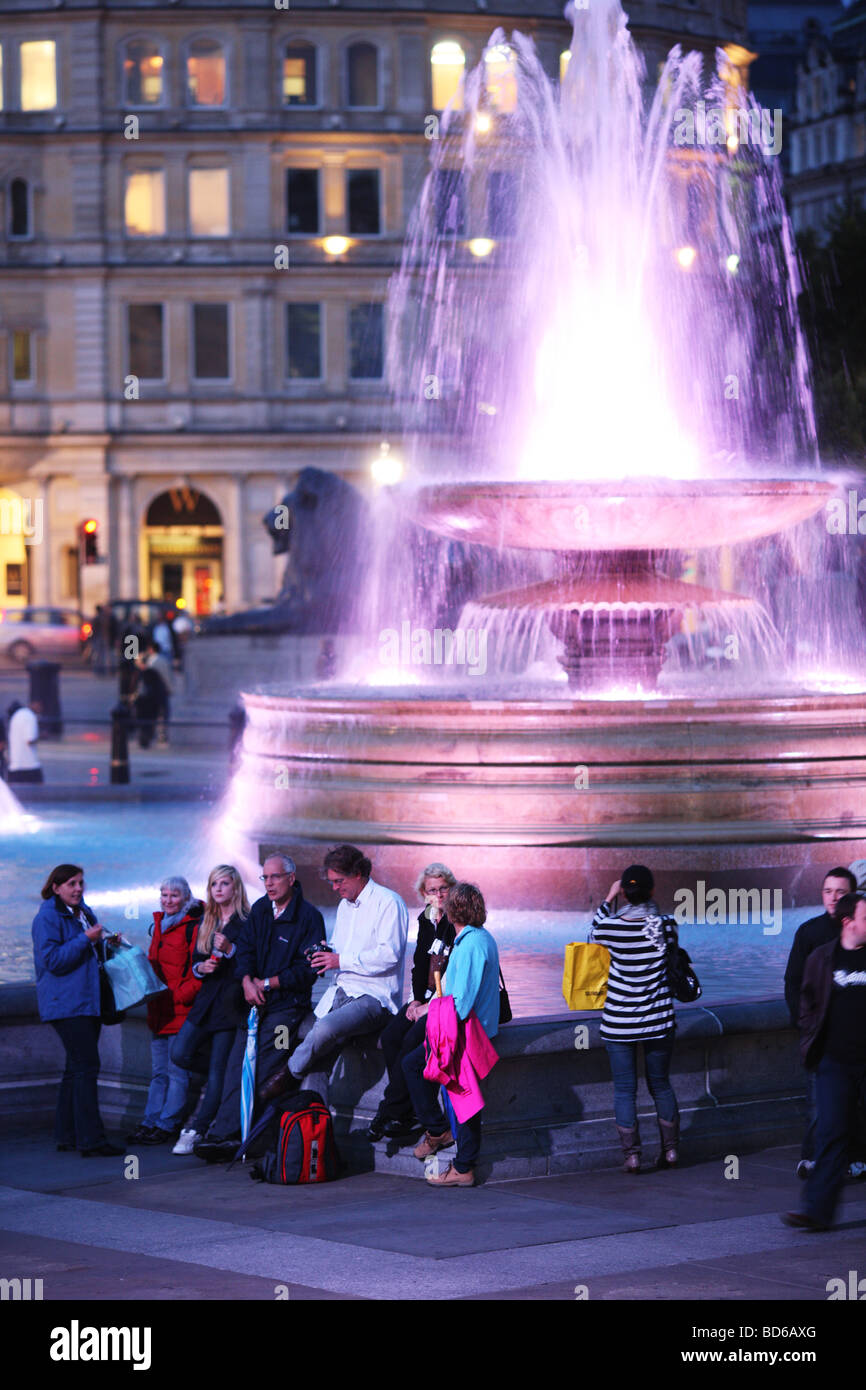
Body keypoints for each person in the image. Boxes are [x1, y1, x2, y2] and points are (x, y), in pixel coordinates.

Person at [193, 853, 324, 1162]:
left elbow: (308, 970)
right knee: (236, 1065)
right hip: (252, 1003)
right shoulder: (262, 909)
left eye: (275, 877)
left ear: (291, 878)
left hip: (286, 1009)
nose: (268, 883)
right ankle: (223, 1134)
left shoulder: (309, 917)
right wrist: (247, 980)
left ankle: (244, 1138)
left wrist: (266, 984)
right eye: (265, 877)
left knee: (266, 1065)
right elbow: (246, 951)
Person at [260, 844, 408, 1109]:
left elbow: (390, 955)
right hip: (327, 994)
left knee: (324, 1030)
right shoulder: (341, 906)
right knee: (302, 1041)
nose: (334, 888)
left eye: (339, 881)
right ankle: (312, 1121)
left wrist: (338, 960)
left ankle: (287, 1077)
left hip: (373, 997)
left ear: (359, 873)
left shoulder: (388, 902)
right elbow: (338, 950)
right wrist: (323, 955)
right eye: (331, 882)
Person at [403, 881, 500, 1188]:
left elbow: (462, 1000)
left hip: (465, 1032)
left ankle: (463, 1165)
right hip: (462, 1028)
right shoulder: (475, 939)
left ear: (454, 910)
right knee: (419, 1068)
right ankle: (440, 1132)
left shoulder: (471, 944)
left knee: (463, 1095)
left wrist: (427, 1011)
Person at [783, 891, 866, 1230]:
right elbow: (808, 1000)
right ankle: (816, 1210)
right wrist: (810, 1038)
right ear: (848, 922)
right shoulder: (822, 958)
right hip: (834, 1063)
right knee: (830, 1134)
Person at [589, 865, 679, 1173]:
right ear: (652, 891)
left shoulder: (611, 926)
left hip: (620, 1022)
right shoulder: (666, 924)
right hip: (658, 1020)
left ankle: (632, 1156)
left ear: (625, 892)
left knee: (625, 1089)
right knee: (661, 1085)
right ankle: (670, 1152)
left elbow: (592, 933)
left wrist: (608, 897)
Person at [31, 864, 123, 1156]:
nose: (78, 888)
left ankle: (67, 1135)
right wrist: (86, 939)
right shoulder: (47, 917)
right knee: (86, 1068)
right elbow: (53, 960)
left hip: (85, 1000)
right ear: (55, 887)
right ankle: (91, 1141)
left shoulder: (83, 912)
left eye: (81, 883)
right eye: (71, 883)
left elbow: (88, 955)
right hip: (67, 1003)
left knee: (75, 1070)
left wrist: (106, 942)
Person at [366, 862, 457, 1142]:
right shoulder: (426, 919)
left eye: (443, 888)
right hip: (426, 997)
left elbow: (455, 972)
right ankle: (405, 1111)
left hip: (446, 1001)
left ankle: (392, 1111)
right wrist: (416, 1001)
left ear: (451, 889)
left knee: (410, 1046)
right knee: (391, 1036)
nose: (439, 895)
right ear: (423, 894)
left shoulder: (458, 920)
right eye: (432, 890)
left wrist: (429, 1005)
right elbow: (419, 965)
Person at [169, 865, 251, 1155]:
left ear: (235, 888)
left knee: (216, 1072)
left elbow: (252, 963)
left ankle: (197, 1128)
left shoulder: (246, 921)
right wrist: (201, 968)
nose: (218, 889)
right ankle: (230, 1076)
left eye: (224, 884)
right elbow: (196, 961)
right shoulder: (208, 919)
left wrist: (231, 950)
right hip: (205, 1002)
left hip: (229, 1004)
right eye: (214, 884)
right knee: (179, 1052)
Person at [128, 878, 205, 1146]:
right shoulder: (160, 924)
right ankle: (150, 1122)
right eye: (164, 895)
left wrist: (181, 997)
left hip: (180, 1011)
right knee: (159, 1073)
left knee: (177, 1073)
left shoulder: (194, 927)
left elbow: (201, 971)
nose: (168, 900)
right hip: (159, 1009)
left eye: (174, 895)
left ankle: (167, 1124)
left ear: (186, 898)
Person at [7, 698, 44, 784]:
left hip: (14, 767)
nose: (41, 709)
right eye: (41, 706)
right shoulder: (30, 716)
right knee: (39, 795)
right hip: (29, 767)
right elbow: (29, 740)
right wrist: (41, 736)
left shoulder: (16, 716)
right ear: (35, 704)